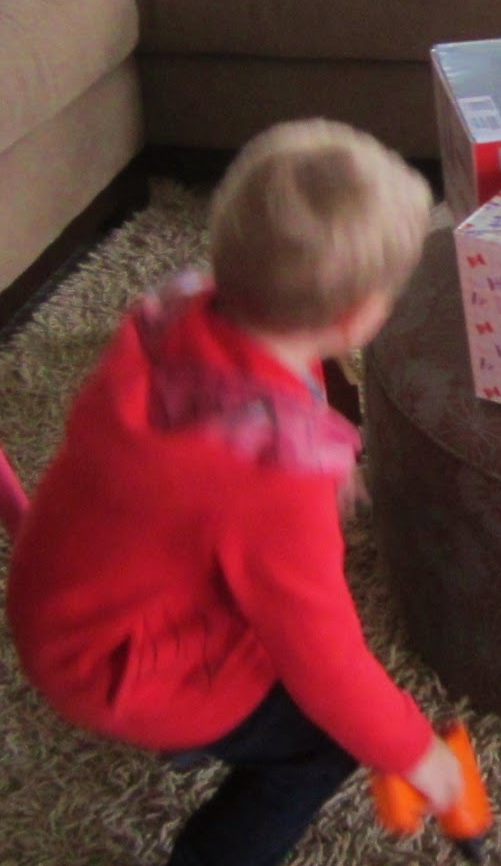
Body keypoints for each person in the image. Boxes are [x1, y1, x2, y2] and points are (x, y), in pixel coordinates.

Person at [5, 119, 464, 865]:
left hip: (62, 595)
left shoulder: (177, 316)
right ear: (356, 319)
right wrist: (415, 753)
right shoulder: (275, 480)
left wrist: (314, 445)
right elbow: (324, 660)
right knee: (321, 745)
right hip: (112, 664)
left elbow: (259, 423)